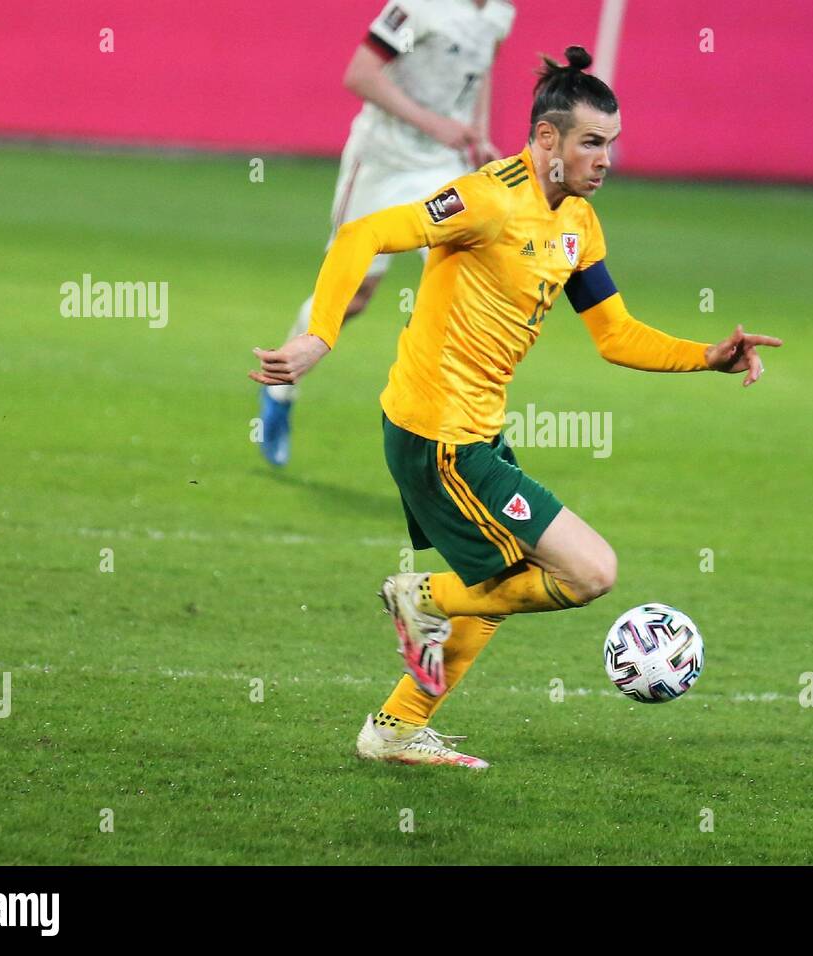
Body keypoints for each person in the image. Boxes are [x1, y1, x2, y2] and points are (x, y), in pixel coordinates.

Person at [249, 46, 782, 769]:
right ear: (546, 139)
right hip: (436, 436)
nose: (605, 160)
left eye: (612, 145)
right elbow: (363, 233)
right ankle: (420, 597)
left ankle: (397, 725)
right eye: (591, 142)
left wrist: (706, 356)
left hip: (474, 433)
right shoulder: (486, 198)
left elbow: (614, 334)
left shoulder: (579, 224)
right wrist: (320, 334)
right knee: (588, 573)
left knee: (499, 588)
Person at [258, 0, 515, 466]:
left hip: (440, 166)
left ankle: (470, 434)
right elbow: (360, 74)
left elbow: (481, 73)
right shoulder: (419, 7)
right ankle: (280, 388)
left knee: (467, 281)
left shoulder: (499, 13)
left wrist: (477, 134)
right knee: (353, 297)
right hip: (381, 159)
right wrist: (436, 124)